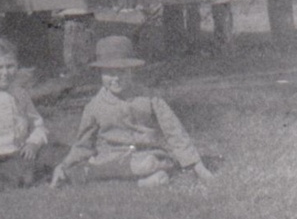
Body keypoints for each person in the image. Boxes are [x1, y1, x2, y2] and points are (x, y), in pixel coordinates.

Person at [51, 35, 215, 188]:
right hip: (111, 158)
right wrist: (65, 165)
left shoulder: (150, 98)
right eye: (109, 73)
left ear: (132, 71)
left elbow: (174, 131)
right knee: (93, 167)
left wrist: (196, 165)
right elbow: (83, 144)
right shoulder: (94, 106)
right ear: (100, 73)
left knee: (149, 163)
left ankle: (145, 177)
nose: (116, 78)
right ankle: (145, 181)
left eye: (122, 72)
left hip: (145, 154)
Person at [0, 38, 65, 190]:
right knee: (15, 175)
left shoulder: (20, 93)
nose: (5, 73)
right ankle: (24, 177)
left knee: (58, 151)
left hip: (19, 153)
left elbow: (37, 125)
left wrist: (33, 143)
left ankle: (56, 170)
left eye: (10, 66)